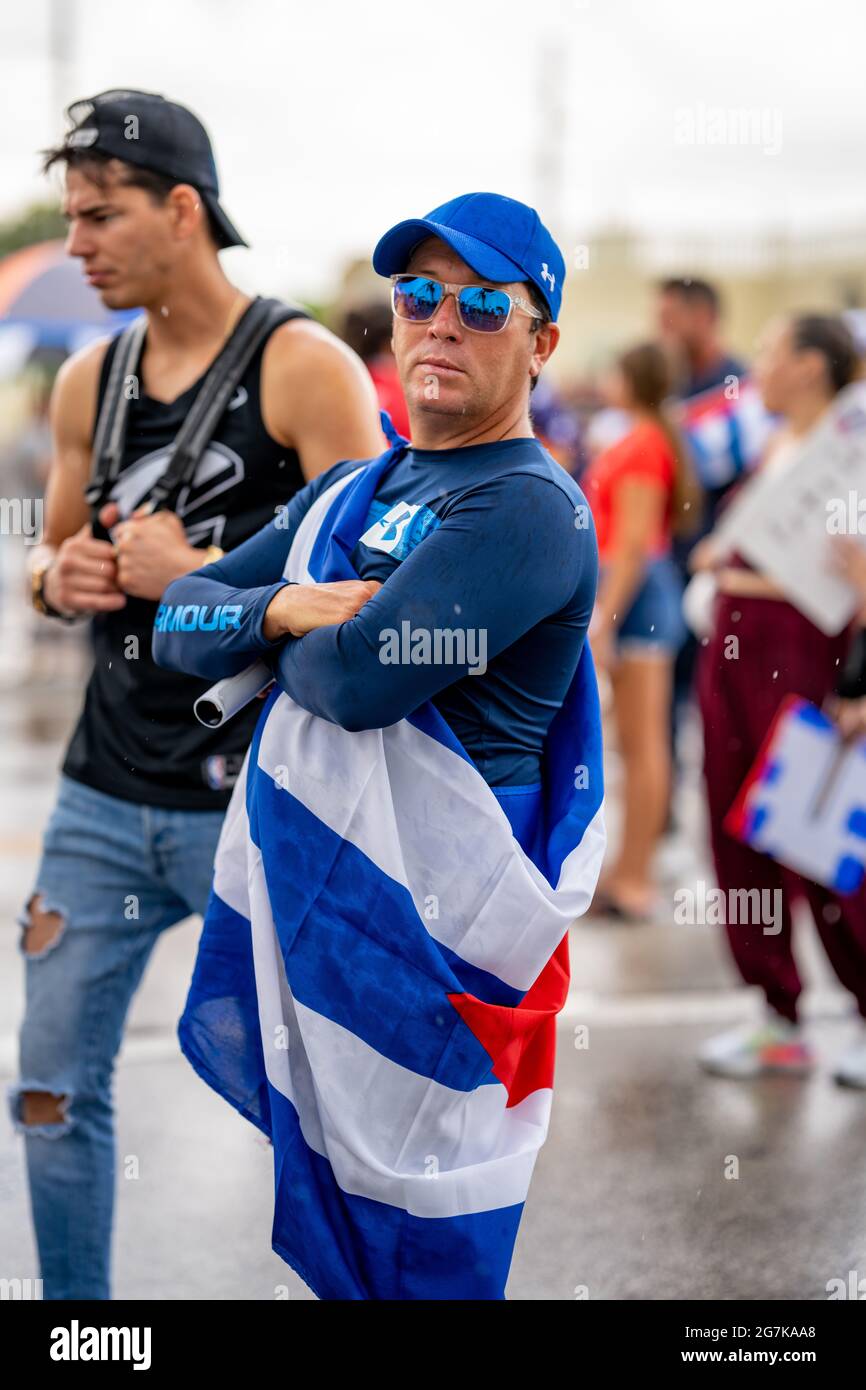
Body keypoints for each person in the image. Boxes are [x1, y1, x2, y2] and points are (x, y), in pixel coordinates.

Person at [153, 192, 604, 1299]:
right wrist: (281, 611)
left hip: (439, 931)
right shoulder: (353, 485)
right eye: (418, 296)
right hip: (328, 907)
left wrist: (286, 624)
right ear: (393, 320)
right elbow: (177, 623)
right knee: (343, 1229)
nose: (442, 322)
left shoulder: (525, 505)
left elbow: (358, 684)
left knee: (423, 1236)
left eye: (484, 306)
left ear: (540, 342)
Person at [11, 88, 383, 1301]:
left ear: (182, 210)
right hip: (102, 796)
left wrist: (206, 586)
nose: (76, 245)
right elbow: (54, 559)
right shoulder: (89, 382)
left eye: (100, 216)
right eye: (69, 219)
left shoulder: (306, 366)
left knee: (334, 1108)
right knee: (50, 1087)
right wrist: (53, 574)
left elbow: (383, 599)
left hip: (264, 804)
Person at [693, 313, 866, 1085]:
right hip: (735, 638)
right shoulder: (779, 446)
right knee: (736, 820)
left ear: (810, 365)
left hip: (799, 645)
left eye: (768, 348)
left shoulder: (851, 453)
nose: (756, 363)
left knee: (817, 827)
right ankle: (777, 1011)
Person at [582, 344, 697, 919]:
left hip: (637, 594)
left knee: (645, 741)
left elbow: (633, 545)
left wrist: (606, 616)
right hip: (633, 590)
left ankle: (635, 880)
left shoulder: (646, 443)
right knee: (632, 742)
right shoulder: (643, 435)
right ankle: (626, 872)